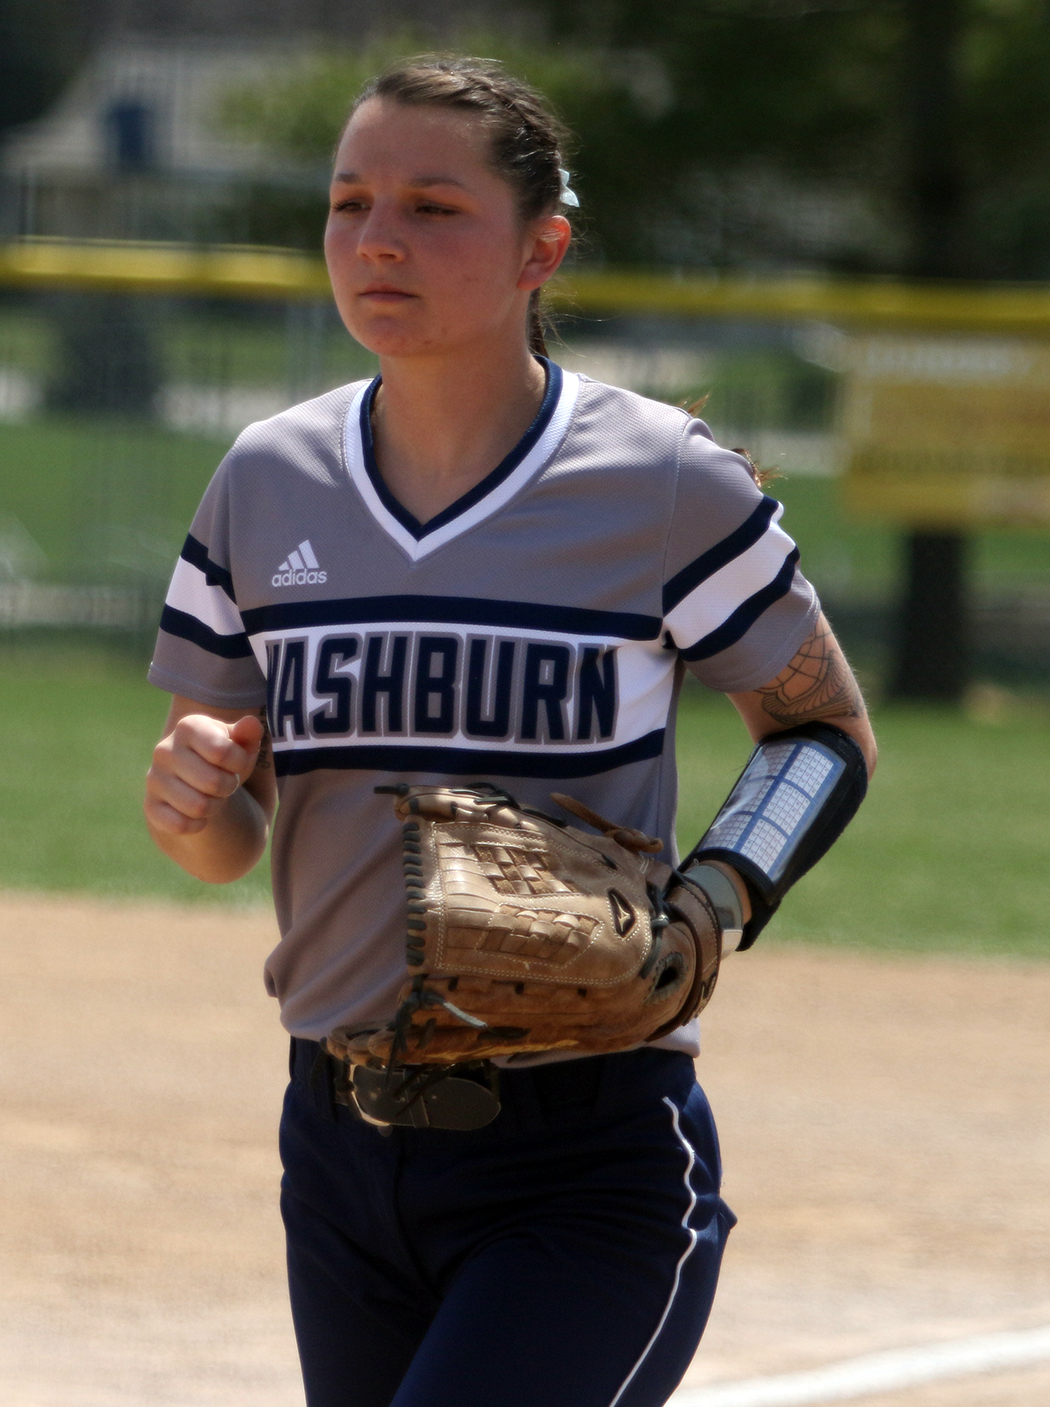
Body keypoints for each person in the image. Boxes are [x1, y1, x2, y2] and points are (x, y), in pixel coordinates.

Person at [143, 55, 876, 1407]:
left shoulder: (661, 480)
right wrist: (192, 801)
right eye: (350, 200)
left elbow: (821, 733)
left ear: (543, 247)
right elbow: (228, 847)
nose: (376, 239)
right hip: (337, 1144)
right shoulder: (264, 481)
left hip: (580, 1153)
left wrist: (710, 901)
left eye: (433, 206)